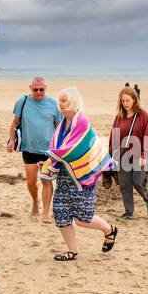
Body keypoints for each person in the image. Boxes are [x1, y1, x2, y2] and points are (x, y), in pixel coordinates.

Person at [40, 87, 117, 262]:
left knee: (83, 219)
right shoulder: (62, 125)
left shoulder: (81, 122)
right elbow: (57, 147)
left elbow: (75, 149)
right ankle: (72, 251)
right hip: (65, 177)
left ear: (73, 102)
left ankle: (108, 229)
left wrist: (52, 156)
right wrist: (50, 161)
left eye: (63, 101)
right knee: (61, 214)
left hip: (82, 177)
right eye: (59, 100)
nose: (60, 104)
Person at [6, 77, 61, 223]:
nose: (38, 92)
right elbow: (14, 124)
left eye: (41, 89)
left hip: (48, 151)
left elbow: (59, 128)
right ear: (30, 87)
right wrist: (11, 140)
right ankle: (35, 201)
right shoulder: (22, 102)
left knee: (46, 181)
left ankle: (46, 212)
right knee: (31, 183)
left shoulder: (54, 105)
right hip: (29, 149)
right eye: (35, 89)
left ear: (46, 88)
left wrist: (60, 148)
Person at [111, 87, 148, 220]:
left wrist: (143, 155)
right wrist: (113, 155)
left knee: (138, 182)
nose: (125, 103)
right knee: (124, 185)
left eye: (128, 100)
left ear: (134, 100)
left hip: (139, 155)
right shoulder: (119, 117)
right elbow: (114, 136)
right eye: (123, 101)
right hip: (123, 155)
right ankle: (128, 212)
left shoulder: (143, 115)